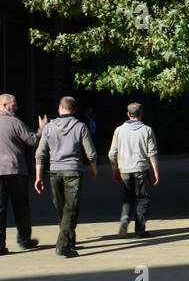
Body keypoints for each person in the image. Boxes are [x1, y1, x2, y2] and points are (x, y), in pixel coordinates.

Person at [35, 97, 98, 257]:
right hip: (73, 171)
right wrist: (93, 168)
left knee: (61, 207)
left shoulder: (48, 128)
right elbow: (91, 152)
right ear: (74, 110)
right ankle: (63, 245)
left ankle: (69, 240)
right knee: (72, 208)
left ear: (60, 108)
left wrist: (38, 176)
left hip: (55, 171)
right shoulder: (80, 127)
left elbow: (40, 153)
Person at [0, 93, 46, 254]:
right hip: (16, 170)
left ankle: (0, 245)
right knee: (21, 207)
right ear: (4, 105)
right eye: (14, 104)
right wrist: (42, 128)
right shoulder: (15, 122)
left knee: (0, 209)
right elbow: (33, 140)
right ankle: (24, 240)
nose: (17, 107)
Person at [108, 102, 159, 237]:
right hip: (141, 168)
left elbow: (112, 153)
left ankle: (125, 217)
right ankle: (140, 229)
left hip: (124, 169)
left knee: (128, 197)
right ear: (141, 114)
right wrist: (155, 171)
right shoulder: (147, 130)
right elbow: (152, 153)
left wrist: (115, 170)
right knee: (142, 198)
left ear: (128, 114)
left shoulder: (119, 130)